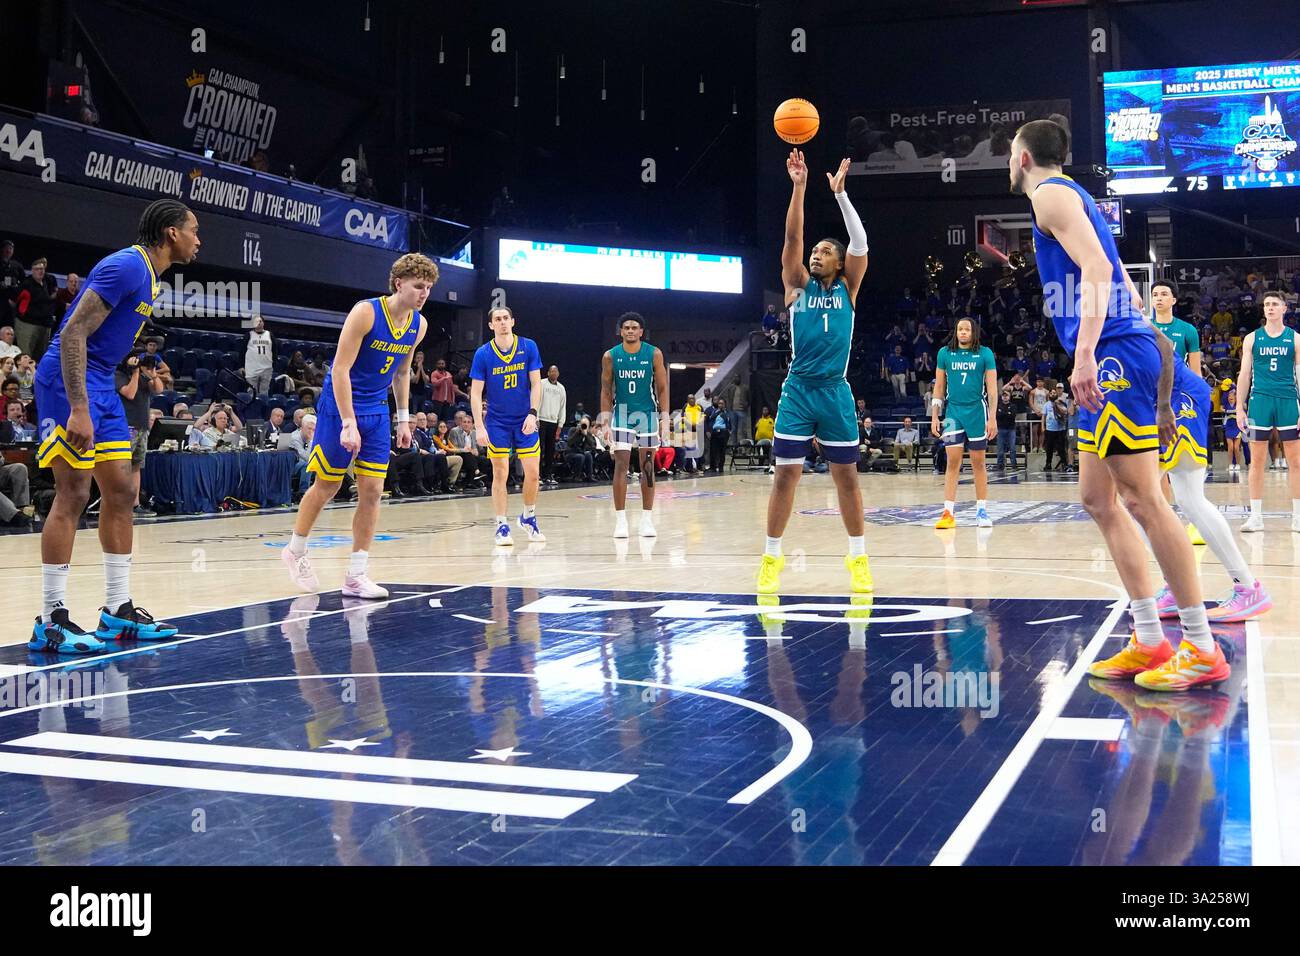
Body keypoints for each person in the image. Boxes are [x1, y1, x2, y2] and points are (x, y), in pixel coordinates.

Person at [1011, 118, 1219, 691]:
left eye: (1010, 153)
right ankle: (1150, 637)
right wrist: (1144, 337)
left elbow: (1100, 270)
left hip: (1111, 355)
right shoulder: (1067, 198)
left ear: (1024, 157)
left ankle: (1201, 645)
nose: (1010, 161)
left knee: (1145, 499)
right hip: (1119, 348)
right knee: (1097, 499)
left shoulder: (1050, 195)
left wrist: (1085, 356)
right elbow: (1118, 273)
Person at [31, 199, 200, 653]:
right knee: (73, 493)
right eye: (193, 231)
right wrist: (80, 408)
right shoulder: (127, 265)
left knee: (123, 492)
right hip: (69, 380)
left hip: (101, 380)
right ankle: (51, 617)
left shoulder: (151, 278)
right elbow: (72, 335)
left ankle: (117, 609)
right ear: (170, 233)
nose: (198, 240)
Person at [282, 253, 436, 597]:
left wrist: (403, 418)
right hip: (341, 406)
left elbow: (400, 372)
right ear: (399, 283)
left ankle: (356, 575)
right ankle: (295, 550)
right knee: (328, 486)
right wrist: (348, 421)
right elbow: (339, 370)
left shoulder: (418, 325)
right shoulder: (366, 312)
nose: (424, 293)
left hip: (377, 411)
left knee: (373, 491)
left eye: (428, 287)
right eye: (418, 286)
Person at [757, 151, 872, 594]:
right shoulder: (796, 286)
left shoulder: (849, 287)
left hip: (834, 391)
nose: (818, 254)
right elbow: (792, 238)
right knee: (786, 474)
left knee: (847, 477)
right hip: (799, 390)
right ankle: (771, 555)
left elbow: (860, 243)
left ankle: (857, 556)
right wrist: (799, 187)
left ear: (840, 263)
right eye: (817, 250)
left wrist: (841, 196)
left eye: (827, 251)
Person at [1148, 346, 1272, 622]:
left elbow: (1165, 352)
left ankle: (1246, 587)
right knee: (1159, 499)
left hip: (1175, 397)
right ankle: (1181, 588)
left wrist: (1164, 406)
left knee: (1157, 498)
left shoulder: (1116, 307)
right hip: (1163, 397)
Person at [471, 306, 545, 546]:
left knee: (533, 473)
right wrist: (479, 427)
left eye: (505, 318)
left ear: (513, 321)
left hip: (524, 418)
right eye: (497, 319)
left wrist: (533, 413)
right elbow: (475, 393)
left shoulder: (528, 346)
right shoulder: (483, 353)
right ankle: (502, 524)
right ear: (491, 325)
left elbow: (536, 384)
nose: (502, 322)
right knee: (500, 473)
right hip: (497, 422)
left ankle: (528, 517)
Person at [601, 312, 669, 538]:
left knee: (648, 467)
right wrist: (605, 420)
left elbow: (662, 388)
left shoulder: (654, 353)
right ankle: (620, 521)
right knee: (621, 466)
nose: (630, 330)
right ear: (620, 331)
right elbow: (606, 389)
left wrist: (665, 416)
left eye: (634, 327)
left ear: (641, 331)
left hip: (647, 414)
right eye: (626, 327)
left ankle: (647, 520)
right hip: (621, 414)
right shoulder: (611, 356)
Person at [1236, 290, 1300, 533]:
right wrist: (1239, 408)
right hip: (1258, 401)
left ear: (1285, 308)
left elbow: (1299, 375)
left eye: (1275, 304)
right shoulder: (1252, 338)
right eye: (1267, 304)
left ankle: (1297, 516)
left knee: (1296, 461)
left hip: (1287, 400)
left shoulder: (1295, 339)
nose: (1270, 308)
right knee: (1256, 461)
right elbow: (1244, 374)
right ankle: (1256, 516)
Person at [933, 317, 998, 527]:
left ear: (973, 332)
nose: (963, 332)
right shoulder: (944, 353)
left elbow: (992, 389)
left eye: (966, 329)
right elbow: (939, 387)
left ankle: (981, 511)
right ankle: (948, 513)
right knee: (952, 462)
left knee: (978, 462)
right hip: (953, 412)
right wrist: (935, 415)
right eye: (960, 329)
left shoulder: (985, 353)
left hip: (977, 412)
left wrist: (993, 417)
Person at [114, 349, 156, 512]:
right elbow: (130, 394)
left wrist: (152, 372)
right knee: (124, 464)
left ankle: (135, 504)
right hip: (127, 425)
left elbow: (158, 389)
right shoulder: (119, 376)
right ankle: (121, 502)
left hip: (142, 426)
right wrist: (136, 372)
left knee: (136, 465)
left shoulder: (144, 377)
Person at [538, 364, 567, 486]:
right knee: (538, 449)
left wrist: (560, 425)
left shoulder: (561, 388)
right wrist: (535, 417)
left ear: (558, 374)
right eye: (551, 371)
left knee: (551, 450)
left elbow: (562, 407)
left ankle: (548, 475)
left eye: (556, 371)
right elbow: (536, 400)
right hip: (541, 420)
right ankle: (537, 475)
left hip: (553, 422)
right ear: (548, 373)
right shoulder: (541, 384)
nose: (554, 373)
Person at [1041, 384, 1069, 471]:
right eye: (1051, 393)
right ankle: (1048, 463)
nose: (1053, 394)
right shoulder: (1046, 405)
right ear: (1049, 395)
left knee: (1061, 448)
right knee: (1049, 448)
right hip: (1050, 429)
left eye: (1054, 393)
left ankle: (1064, 463)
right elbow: (1043, 416)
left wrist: (1058, 405)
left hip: (1060, 429)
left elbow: (1065, 412)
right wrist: (1043, 426)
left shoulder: (1061, 402)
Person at [287, 413, 315, 499]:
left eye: (314, 430)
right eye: (309, 429)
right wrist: (310, 441)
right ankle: (303, 492)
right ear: (302, 428)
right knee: (306, 465)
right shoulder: (294, 438)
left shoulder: (311, 437)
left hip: (304, 463)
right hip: (292, 465)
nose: (311, 431)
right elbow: (306, 456)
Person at [245, 316, 273, 397]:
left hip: (266, 367)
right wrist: (241, 366)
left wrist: (273, 364)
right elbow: (242, 351)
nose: (259, 323)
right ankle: (251, 407)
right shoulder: (249, 335)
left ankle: (264, 407)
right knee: (251, 390)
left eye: (260, 321)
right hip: (252, 367)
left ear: (263, 323)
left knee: (264, 391)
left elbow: (275, 350)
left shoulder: (269, 335)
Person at [1222, 381, 1243, 473]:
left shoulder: (1239, 405)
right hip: (1229, 427)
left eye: (1232, 396)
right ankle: (1230, 464)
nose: (1230, 397)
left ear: (1235, 397)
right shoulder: (1226, 405)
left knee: (1236, 447)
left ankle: (1238, 464)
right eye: (1229, 396)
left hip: (1237, 427)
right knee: (1230, 447)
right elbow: (1221, 409)